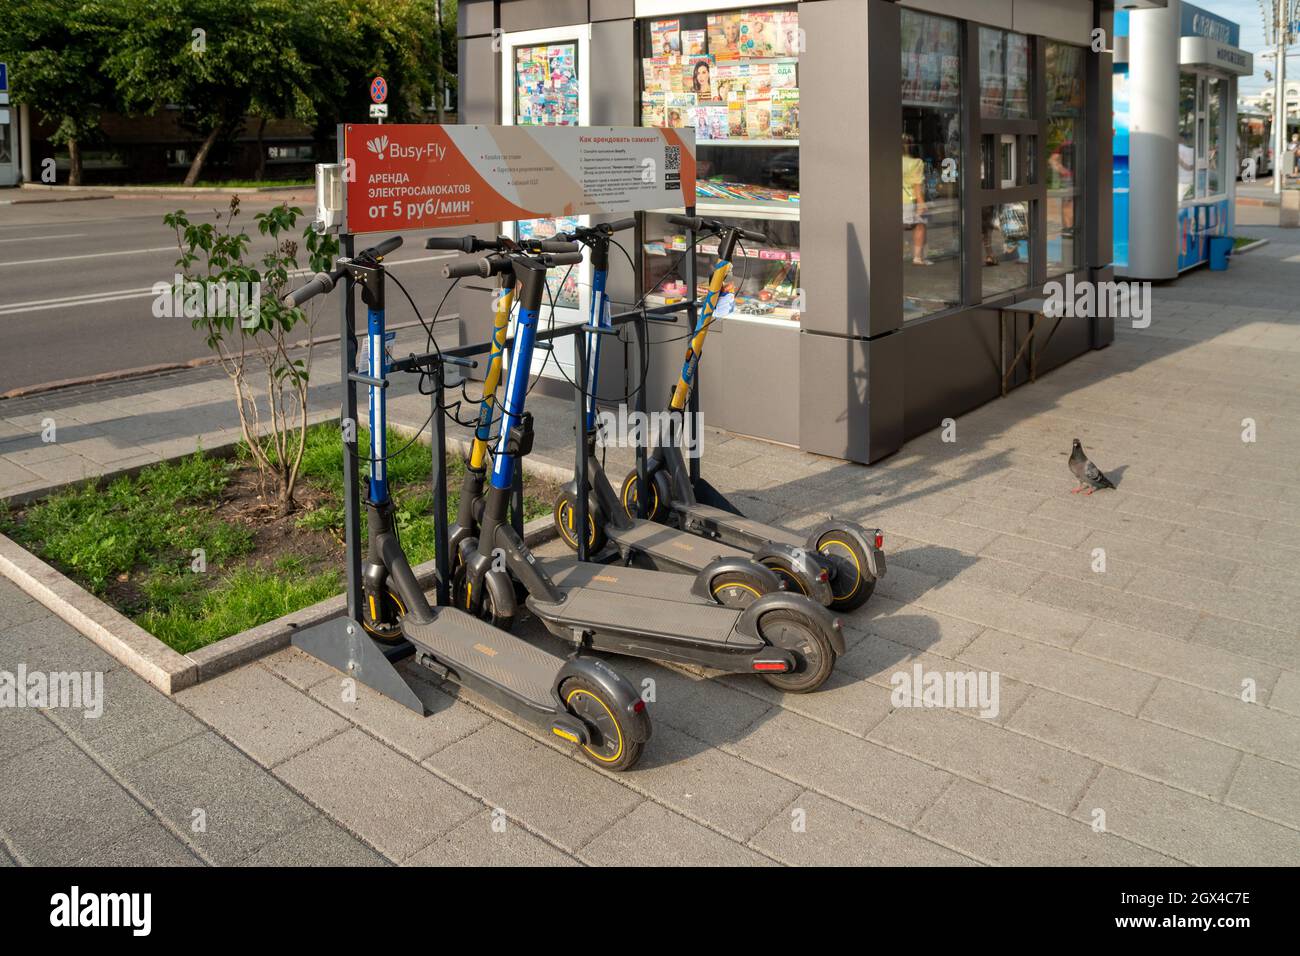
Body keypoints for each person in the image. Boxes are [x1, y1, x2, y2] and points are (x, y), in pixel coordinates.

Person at [902, 133, 931, 266]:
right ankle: (917, 257)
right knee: (919, 226)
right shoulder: (916, 162)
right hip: (910, 199)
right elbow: (917, 184)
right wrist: (921, 202)